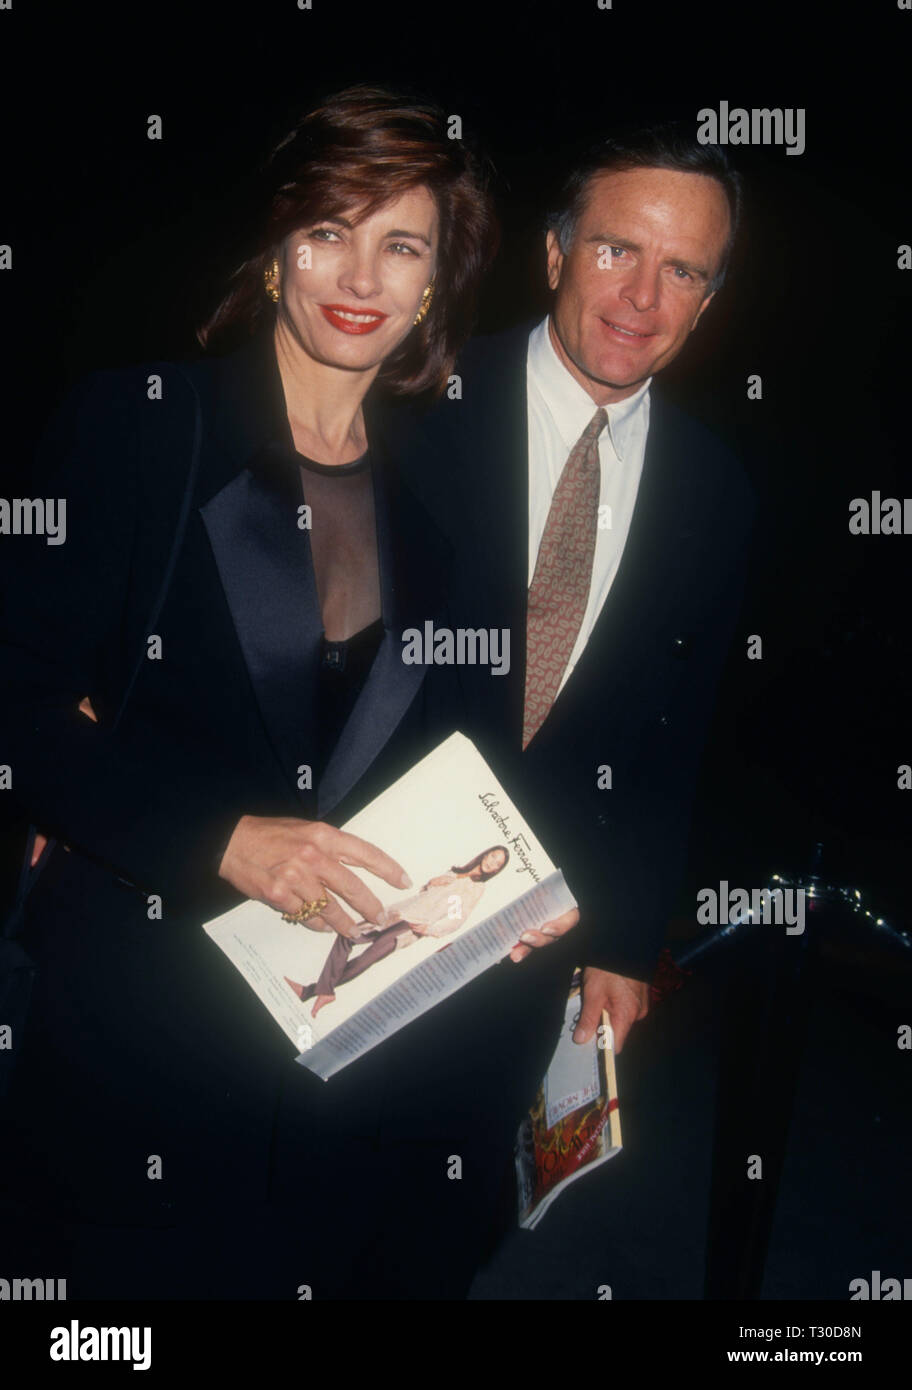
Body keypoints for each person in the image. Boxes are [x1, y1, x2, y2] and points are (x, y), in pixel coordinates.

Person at [0, 86, 577, 1300]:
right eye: (328, 227)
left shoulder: (454, 497)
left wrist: (523, 879)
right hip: (142, 1024)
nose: (359, 272)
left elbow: (464, 742)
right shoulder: (139, 429)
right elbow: (19, 708)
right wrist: (217, 836)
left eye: (401, 242)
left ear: (436, 281)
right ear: (275, 246)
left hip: (349, 1049)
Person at [399, 124, 756, 1056]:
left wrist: (629, 942)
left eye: (683, 272)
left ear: (709, 303)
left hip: (538, 954)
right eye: (616, 250)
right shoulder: (408, 398)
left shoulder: (719, 493)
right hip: (351, 903)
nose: (643, 297)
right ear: (555, 252)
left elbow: (674, 741)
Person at [286, 845, 509, 1012]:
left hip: (410, 927)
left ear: (497, 870)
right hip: (398, 913)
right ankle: (321, 991)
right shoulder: (456, 871)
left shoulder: (474, 889)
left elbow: (456, 917)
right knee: (348, 935)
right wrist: (431, 883)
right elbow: (428, 897)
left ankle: (312, 991)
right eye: (492, 856)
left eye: (497, 863)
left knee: (367, 958)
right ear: (485, 854)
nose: (492, 862)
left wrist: (430, 929)